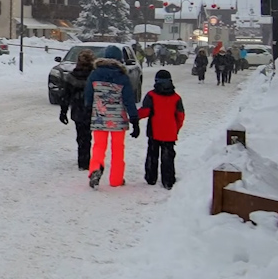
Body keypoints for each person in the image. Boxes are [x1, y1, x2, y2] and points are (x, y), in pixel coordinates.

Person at [85, 44, 138, 189]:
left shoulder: (94, 74)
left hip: (99, 116)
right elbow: (129, 99)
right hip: (118, 119)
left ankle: (95, 168)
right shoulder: (122, 76)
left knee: (98, 146)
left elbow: (88, 96)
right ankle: (116, 179)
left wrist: (88, 111)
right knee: (118, 149)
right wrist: (134, 119)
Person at [136, 69, 187, 189]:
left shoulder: (151, 95)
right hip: (170, 132)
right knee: (168, 157)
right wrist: (176, 128)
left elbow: (145, 111)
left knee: (152, 155)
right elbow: (180, 115)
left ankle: (151, 178)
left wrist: (134, 117)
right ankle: (168, 180)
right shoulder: (176, 97)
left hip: (154, 131)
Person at [55, 49, 96, 170]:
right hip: (92, 109)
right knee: (88, 135)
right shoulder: (95, 76)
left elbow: (66, 95)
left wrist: (63, 111)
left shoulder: (72, 76)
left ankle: (82, 160)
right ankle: (88, 158)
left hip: (78, 109)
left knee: (81, 135)